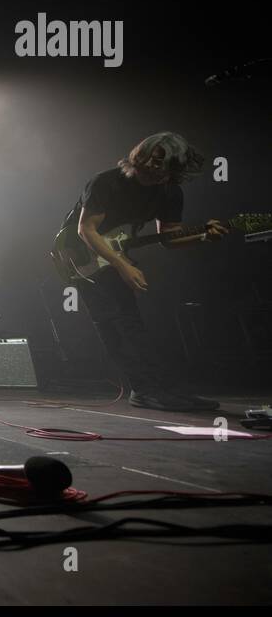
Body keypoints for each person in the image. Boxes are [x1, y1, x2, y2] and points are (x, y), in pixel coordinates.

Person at [62, 132, 227, 411]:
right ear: (139, 153)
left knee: (126, 323)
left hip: (115, 254)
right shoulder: (106, 182)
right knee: (121, 321)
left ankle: (160, 389)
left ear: (175, 167)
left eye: (162, 161)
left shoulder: (170, 192)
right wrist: (123, 266)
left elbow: (169, 238)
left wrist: (202, 236)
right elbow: (86, 229)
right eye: (150, 156)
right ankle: (148, 390)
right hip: (82, 254)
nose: (152, 164)